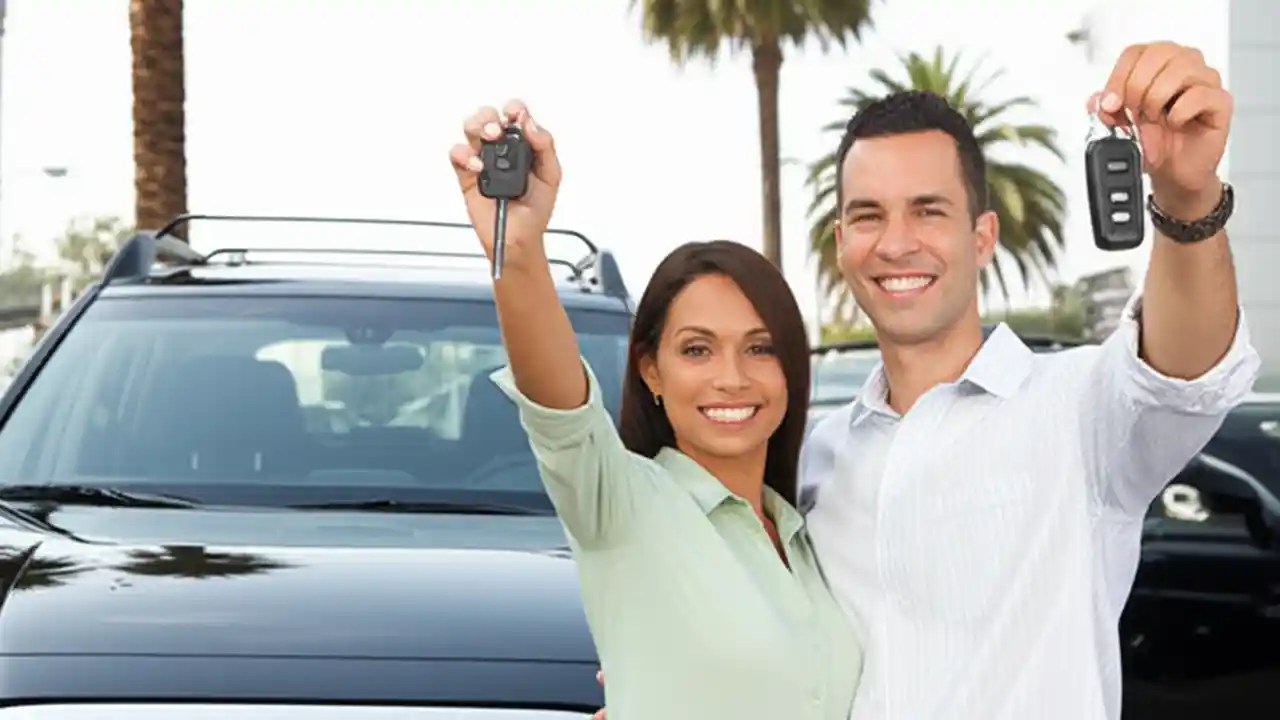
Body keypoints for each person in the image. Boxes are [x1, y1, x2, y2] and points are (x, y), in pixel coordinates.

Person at [596, 41, 1262, 720]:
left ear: (983, 236)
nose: (895, 243)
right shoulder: (813, 464)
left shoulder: (1081, 410)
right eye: (868, 216)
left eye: (928, 210)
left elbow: (1187, 371)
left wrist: (1186, 199)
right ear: (841, 245)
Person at [448, 101, 863, 719]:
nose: (731, 378)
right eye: (697, 350)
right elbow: (558, 408)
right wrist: (520, 250)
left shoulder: (808, 534)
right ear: (651, 370)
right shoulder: (622, 505)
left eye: (760, 348)